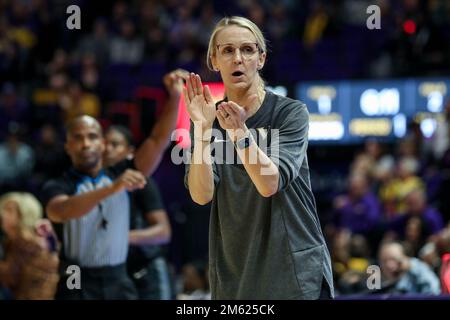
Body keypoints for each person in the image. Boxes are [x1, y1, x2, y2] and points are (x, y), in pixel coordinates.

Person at [183, 16, 334, 299]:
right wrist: (202, 130)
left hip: (293, 271)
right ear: (214, 60)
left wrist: (239, 133)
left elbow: (268, 184)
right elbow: (201, 195)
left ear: (261, 59)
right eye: (227, 51)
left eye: (247, 50)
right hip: (235, 274)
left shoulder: (290, 113)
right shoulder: (205, 120)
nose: (237, 59)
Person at [41, 69, 185, 300]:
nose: (86, 143)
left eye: (92, 137)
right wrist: (112, 188)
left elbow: (158, 140)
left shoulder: (123, 173)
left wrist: (176, 96)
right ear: (67, 146)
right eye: (77, 138)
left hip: (118, 278)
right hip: (76, 278)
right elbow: (63, 210)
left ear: (102, 143)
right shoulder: (58, 185)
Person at [104, 125, 173, 300]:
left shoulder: (140, 181)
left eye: (115, 144)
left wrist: (121, 237)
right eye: (104, 143)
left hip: (147, 270)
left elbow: (163, 232)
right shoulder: (91, 184)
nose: (107, 149)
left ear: (130, 152)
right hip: (116, 273)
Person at [0, 192, 59, 300]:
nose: (3, 214)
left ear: (24, 215)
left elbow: (10, 276)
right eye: (4, 209)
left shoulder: (25, 241)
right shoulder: (22, 239)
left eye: (9, 210)